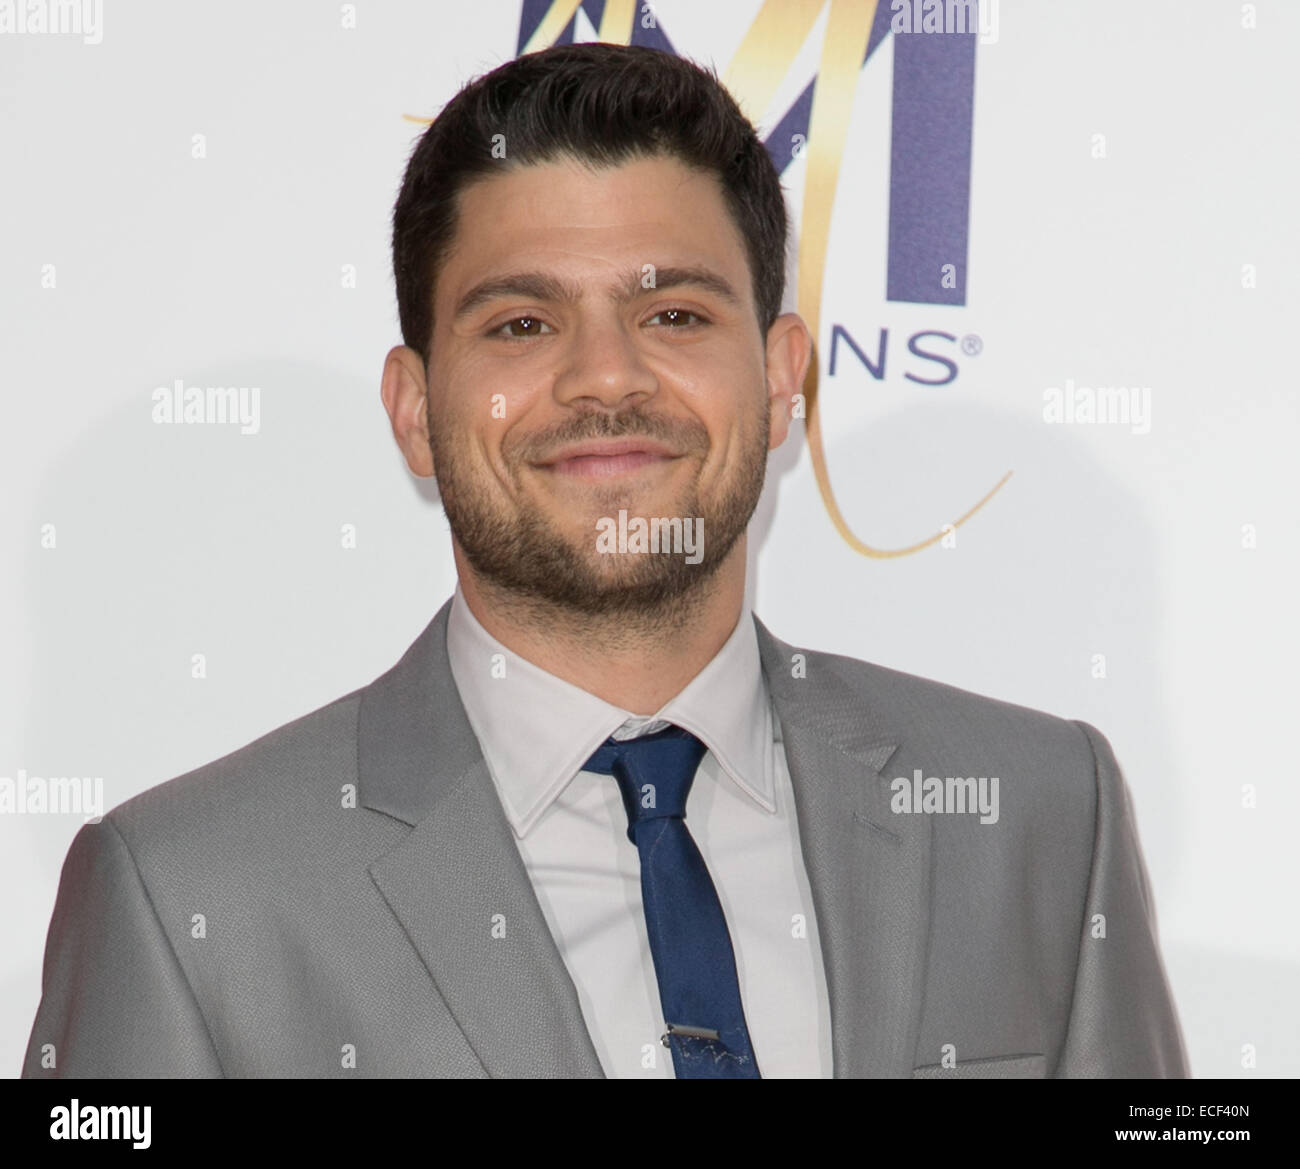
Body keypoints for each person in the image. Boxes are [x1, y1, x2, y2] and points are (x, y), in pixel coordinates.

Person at [22, 42, 1188, 1079]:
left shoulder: (1038, 813)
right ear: (416, 411)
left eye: (673, 314)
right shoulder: (189, 896)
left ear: (782, 378)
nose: (605, 380)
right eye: (521, 324)